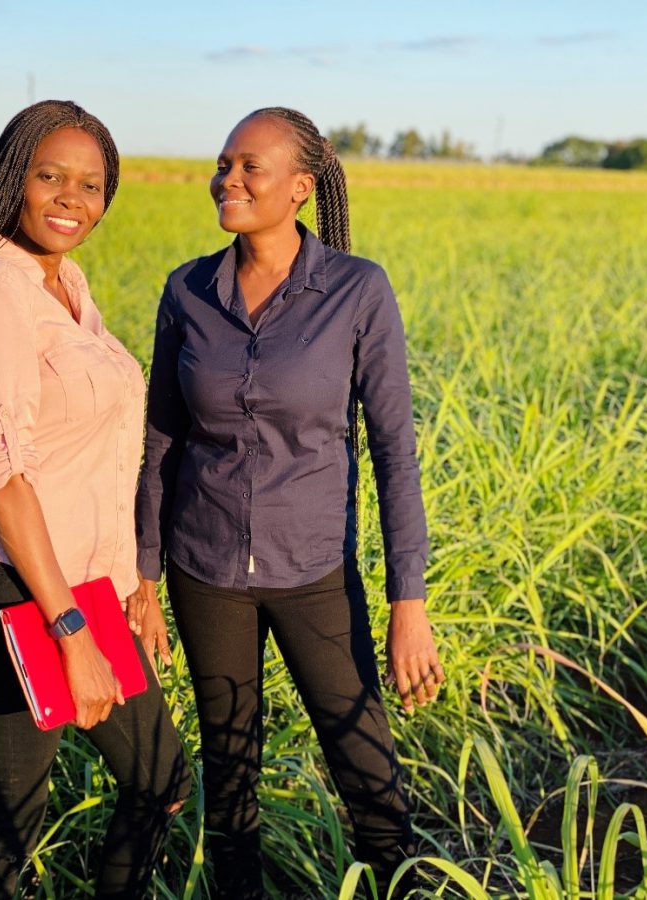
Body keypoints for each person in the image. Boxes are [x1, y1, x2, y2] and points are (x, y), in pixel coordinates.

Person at [130, 107, 443, 898]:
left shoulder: (356, 290)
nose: (227, 180)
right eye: (222, 164)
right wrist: (145, 574)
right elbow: (160, 439)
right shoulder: (187, 290)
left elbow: (393, 451)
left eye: (249, 167)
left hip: (315, 576)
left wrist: (411, 600)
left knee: (366, 770)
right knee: (229, 776)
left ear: (300, 189)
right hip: (204, 571)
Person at [0, 100, 190, 900]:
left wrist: (130, 582)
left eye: (91, 183)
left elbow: (96, 459)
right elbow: (2, 474)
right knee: (12, 817)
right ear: (14, 181)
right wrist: (69, 627)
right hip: (2, 583)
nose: (72, 197)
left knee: (160, 775)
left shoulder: (65, 282)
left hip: (77, 584)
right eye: (50, 177)